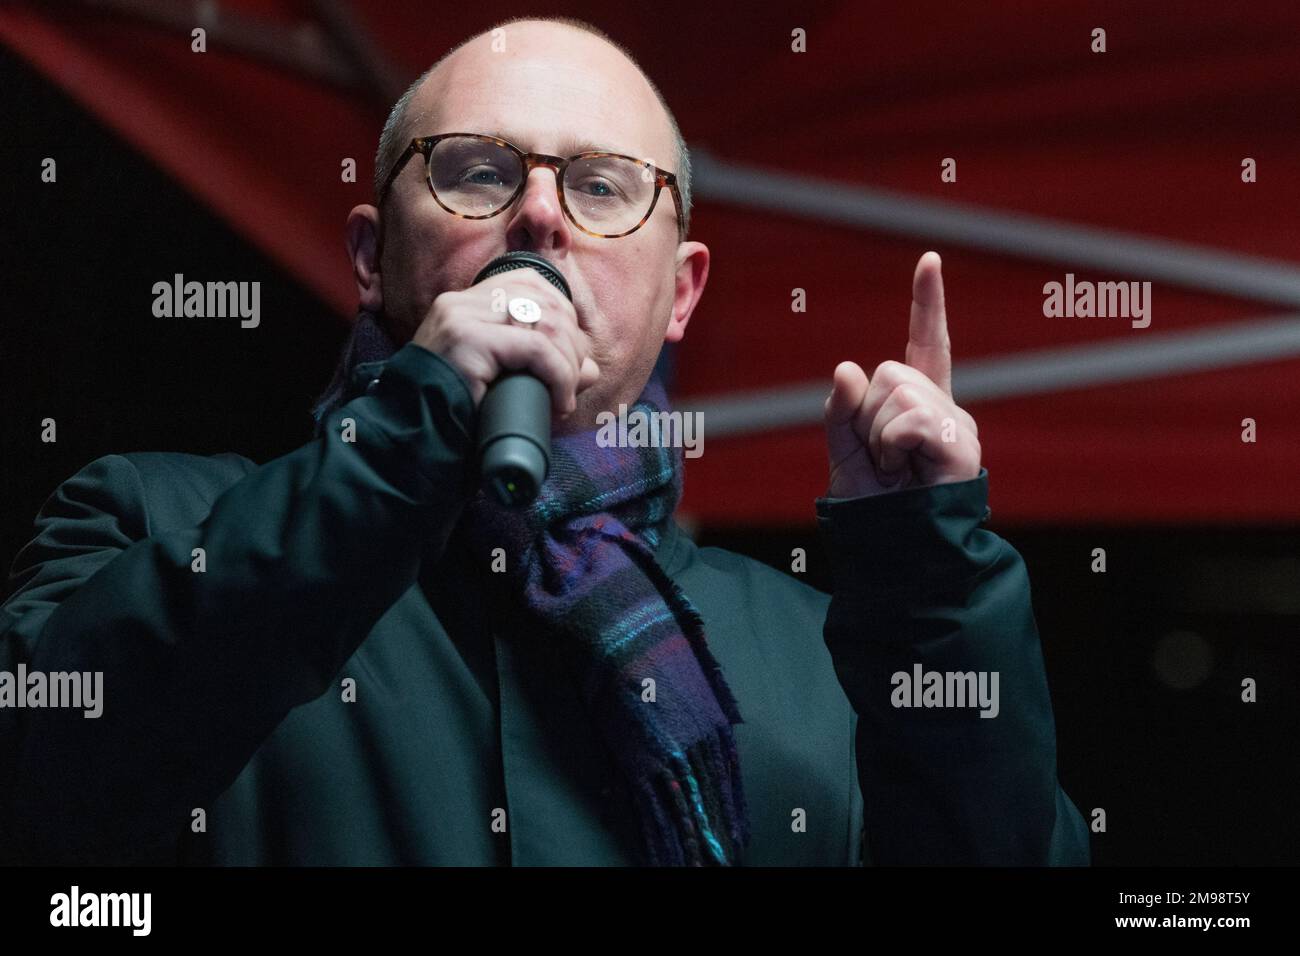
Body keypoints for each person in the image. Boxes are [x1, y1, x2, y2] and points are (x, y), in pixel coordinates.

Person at [0, 15, 1089, 866]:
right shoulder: (153, 519)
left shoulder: (827, 652)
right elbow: (45, 786)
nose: (538, 215)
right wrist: (404, 438)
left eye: (602, 184)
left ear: (681, 291)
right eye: (476, 169)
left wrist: (930, 576)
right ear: (373, 257)